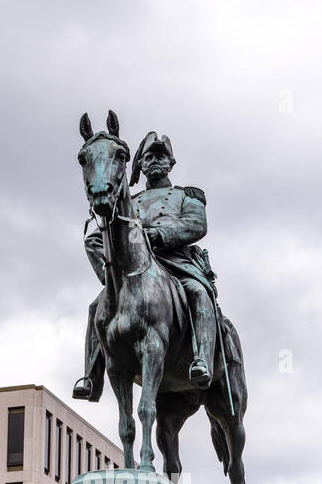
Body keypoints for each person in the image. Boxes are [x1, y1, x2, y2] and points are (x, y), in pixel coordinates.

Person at [73, 131, 220, 401]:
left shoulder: (187, 195)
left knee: (199, 294)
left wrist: (161, 235)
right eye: (148, 157)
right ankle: (91, 376)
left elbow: (197, 224)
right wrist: (111, 277)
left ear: (171, 162)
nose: (154, 161)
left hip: (176, 264)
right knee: (97, 306)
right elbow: (97, 237)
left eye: (161, 156)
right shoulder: (129, 200)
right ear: (139, 165)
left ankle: (202, 360)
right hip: (133, 271)